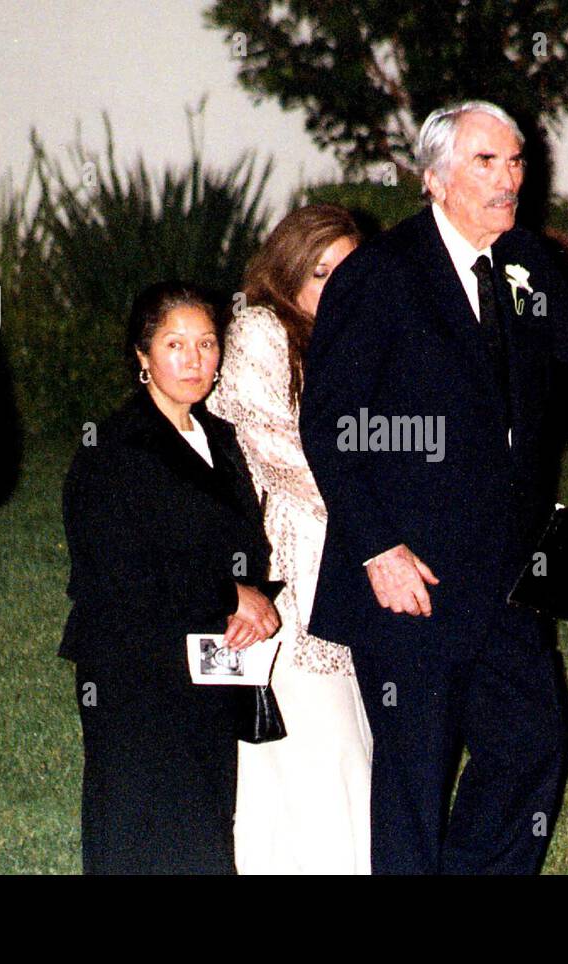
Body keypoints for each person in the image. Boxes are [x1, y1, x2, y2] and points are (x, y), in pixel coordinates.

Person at [299, 100, 568, 874]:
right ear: (435, 178)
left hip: (509, 570)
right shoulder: (381, 274)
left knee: (534, 744)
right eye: (487, 162)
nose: (509, 177)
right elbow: (331, 427)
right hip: (411, 573)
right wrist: (377, 547)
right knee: (415, 773)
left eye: (517, 161)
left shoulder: (526, 262)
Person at [59, 283, 280, 874]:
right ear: (142, 355)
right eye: (175, 344)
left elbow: (240, 542)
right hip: (136, 671)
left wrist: (253, 599)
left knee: (206, 826)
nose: (194, 360)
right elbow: (114, 569)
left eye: (207, 344)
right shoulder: (113, 447)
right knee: (142, 828)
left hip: (210, 664)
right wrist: (228, 593)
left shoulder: (219, 437)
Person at [206, 204, 372, 874]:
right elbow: (270, 444)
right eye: (321, 270)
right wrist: (370, 509)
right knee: (306, 741)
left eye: (350, 271)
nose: (336, 286)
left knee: (346, 742)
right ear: (288, 269)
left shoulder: (361, 333)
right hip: (290, 561)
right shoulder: (261, 328)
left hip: (354, 561)